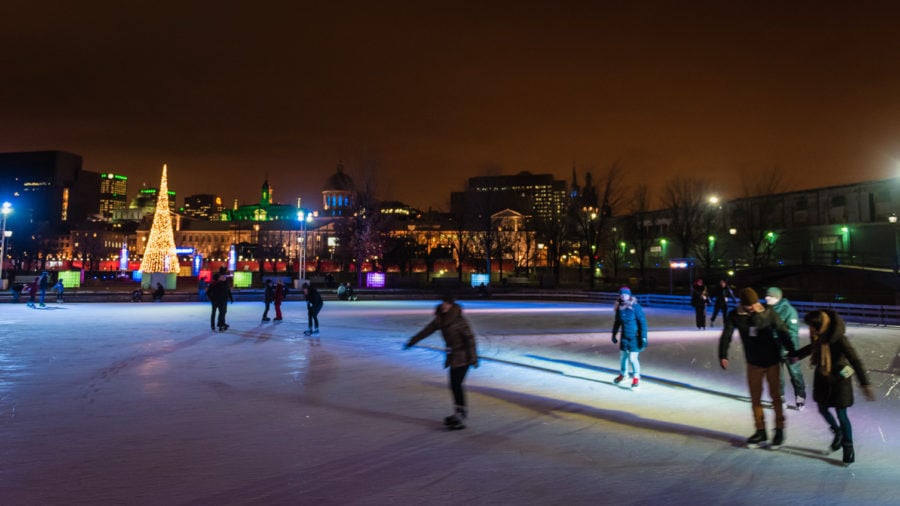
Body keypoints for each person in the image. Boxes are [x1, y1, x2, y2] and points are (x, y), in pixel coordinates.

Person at [792, 310, 875, 465]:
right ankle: (838, 433)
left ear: (820, 325)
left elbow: (854, 361)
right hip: (823, 379)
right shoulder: (819, 336)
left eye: (812, 326)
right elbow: (813, 347)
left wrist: (864, 383)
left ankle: (848, 447)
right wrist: (796, 355)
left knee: (841, 414)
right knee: (822, 409)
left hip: (840, 379)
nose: (810, 329)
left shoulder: (839, 339)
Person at [719, 287, 796, 449]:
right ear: (743, 305)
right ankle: (760, 430)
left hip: (772, 360)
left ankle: (779, 429)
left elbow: (782, 330)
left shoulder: (768, 311)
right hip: (753, 362)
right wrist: (723, 355)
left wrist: (792, 351)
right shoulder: (735, 316)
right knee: (755, 398)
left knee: (776, 397)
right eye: (750, 306)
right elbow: (726, 335)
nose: (753, 307)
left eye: (755, 304)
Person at [404, 293, 479, 430]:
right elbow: (427, 330)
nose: (444, 305)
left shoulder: (459, 321)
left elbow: (470, 339)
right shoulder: (441, 319)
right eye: (443, 302)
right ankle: (458, 412)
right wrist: (413, 341)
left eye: (447, 303)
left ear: (451, 304)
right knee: (454, 384)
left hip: (464, 356)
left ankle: (461, 415)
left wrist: (473, 358)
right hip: (453, 356)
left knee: (456, 384)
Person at [765, 286, 807, 410]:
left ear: (776, 297)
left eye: (769, 296)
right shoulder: (767, 310)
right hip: (773, 349)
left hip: (789, 349)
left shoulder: (789, 311)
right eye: (766, 295)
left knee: (795, 373)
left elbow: (793, 333)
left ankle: (800, 397)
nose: (766, 298)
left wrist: (790, 350)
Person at [611, 286, 648, 389]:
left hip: (635, 336)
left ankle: (636, 377)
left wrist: (644, 337)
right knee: (623, 356)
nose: (624, 296)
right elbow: (617, 322)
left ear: (629, 295)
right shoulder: (619, 308)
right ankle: (624, 375)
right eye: (622, 294)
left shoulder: (636, 307)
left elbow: (643, 323)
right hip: (624, 336)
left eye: (626, 294)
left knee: (632, 358)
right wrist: (614, 334)